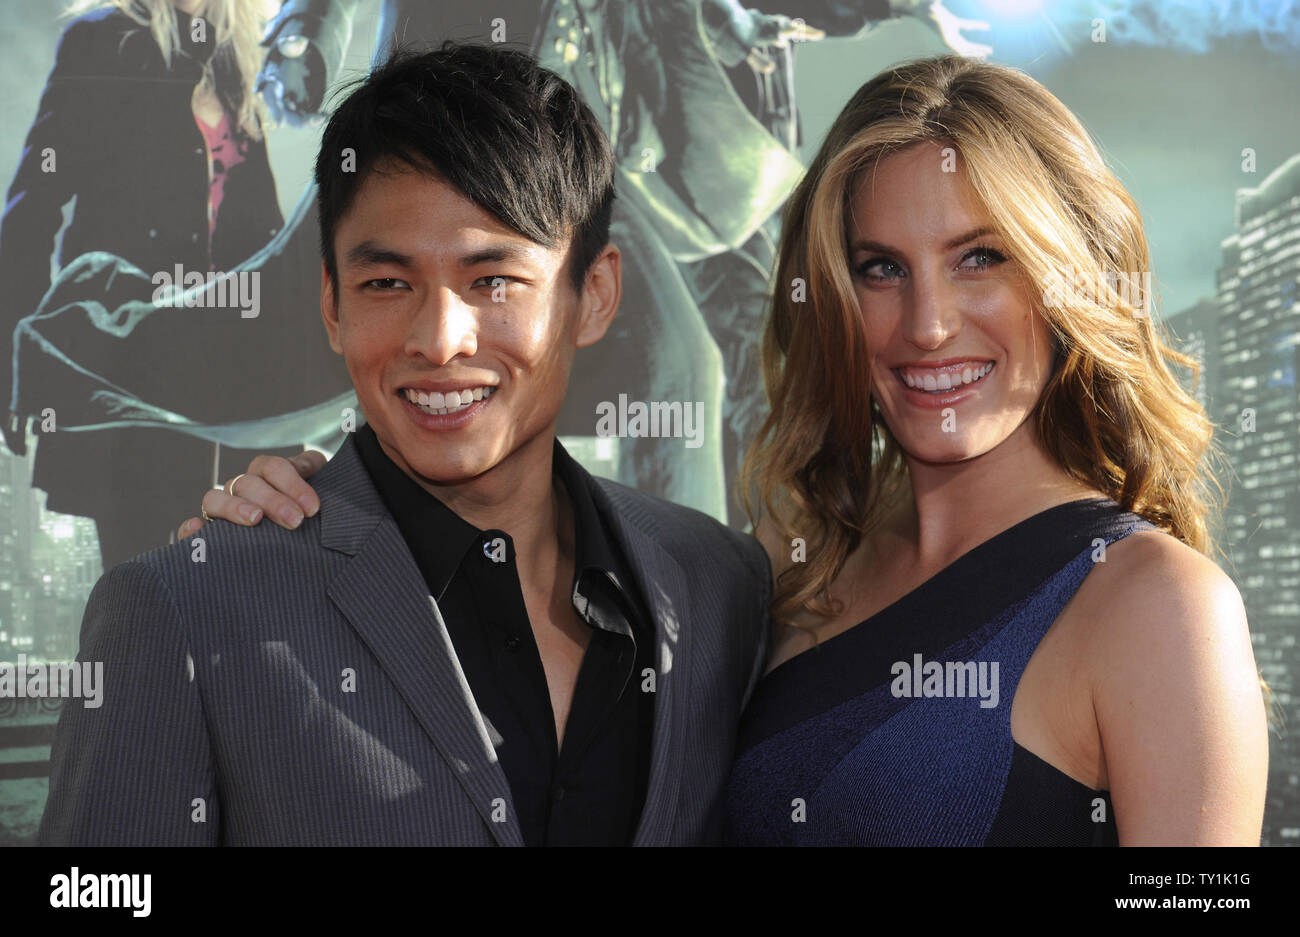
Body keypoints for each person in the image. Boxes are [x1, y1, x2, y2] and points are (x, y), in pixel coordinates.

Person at [206, 55, 1270, 846]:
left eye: (981, 257)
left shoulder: (1155, 609)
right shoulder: (779, 574)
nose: (927, 323)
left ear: (1068, 276)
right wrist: (315, 521)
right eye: (878, 268)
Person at [39, 42, 770, 846]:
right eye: (388, 283)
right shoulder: (186, 609)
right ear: (332, 305)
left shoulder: (719, 587)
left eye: (493, 281)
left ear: (593, 296)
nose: (439, 339)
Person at [0, 0, 299, 568]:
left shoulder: (244, 51)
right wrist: (13, 362)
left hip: (239, 370)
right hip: (134, 364)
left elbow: (265, 229)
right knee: (143, 584)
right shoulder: (103, 40)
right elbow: (30, 209)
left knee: (247, 589)